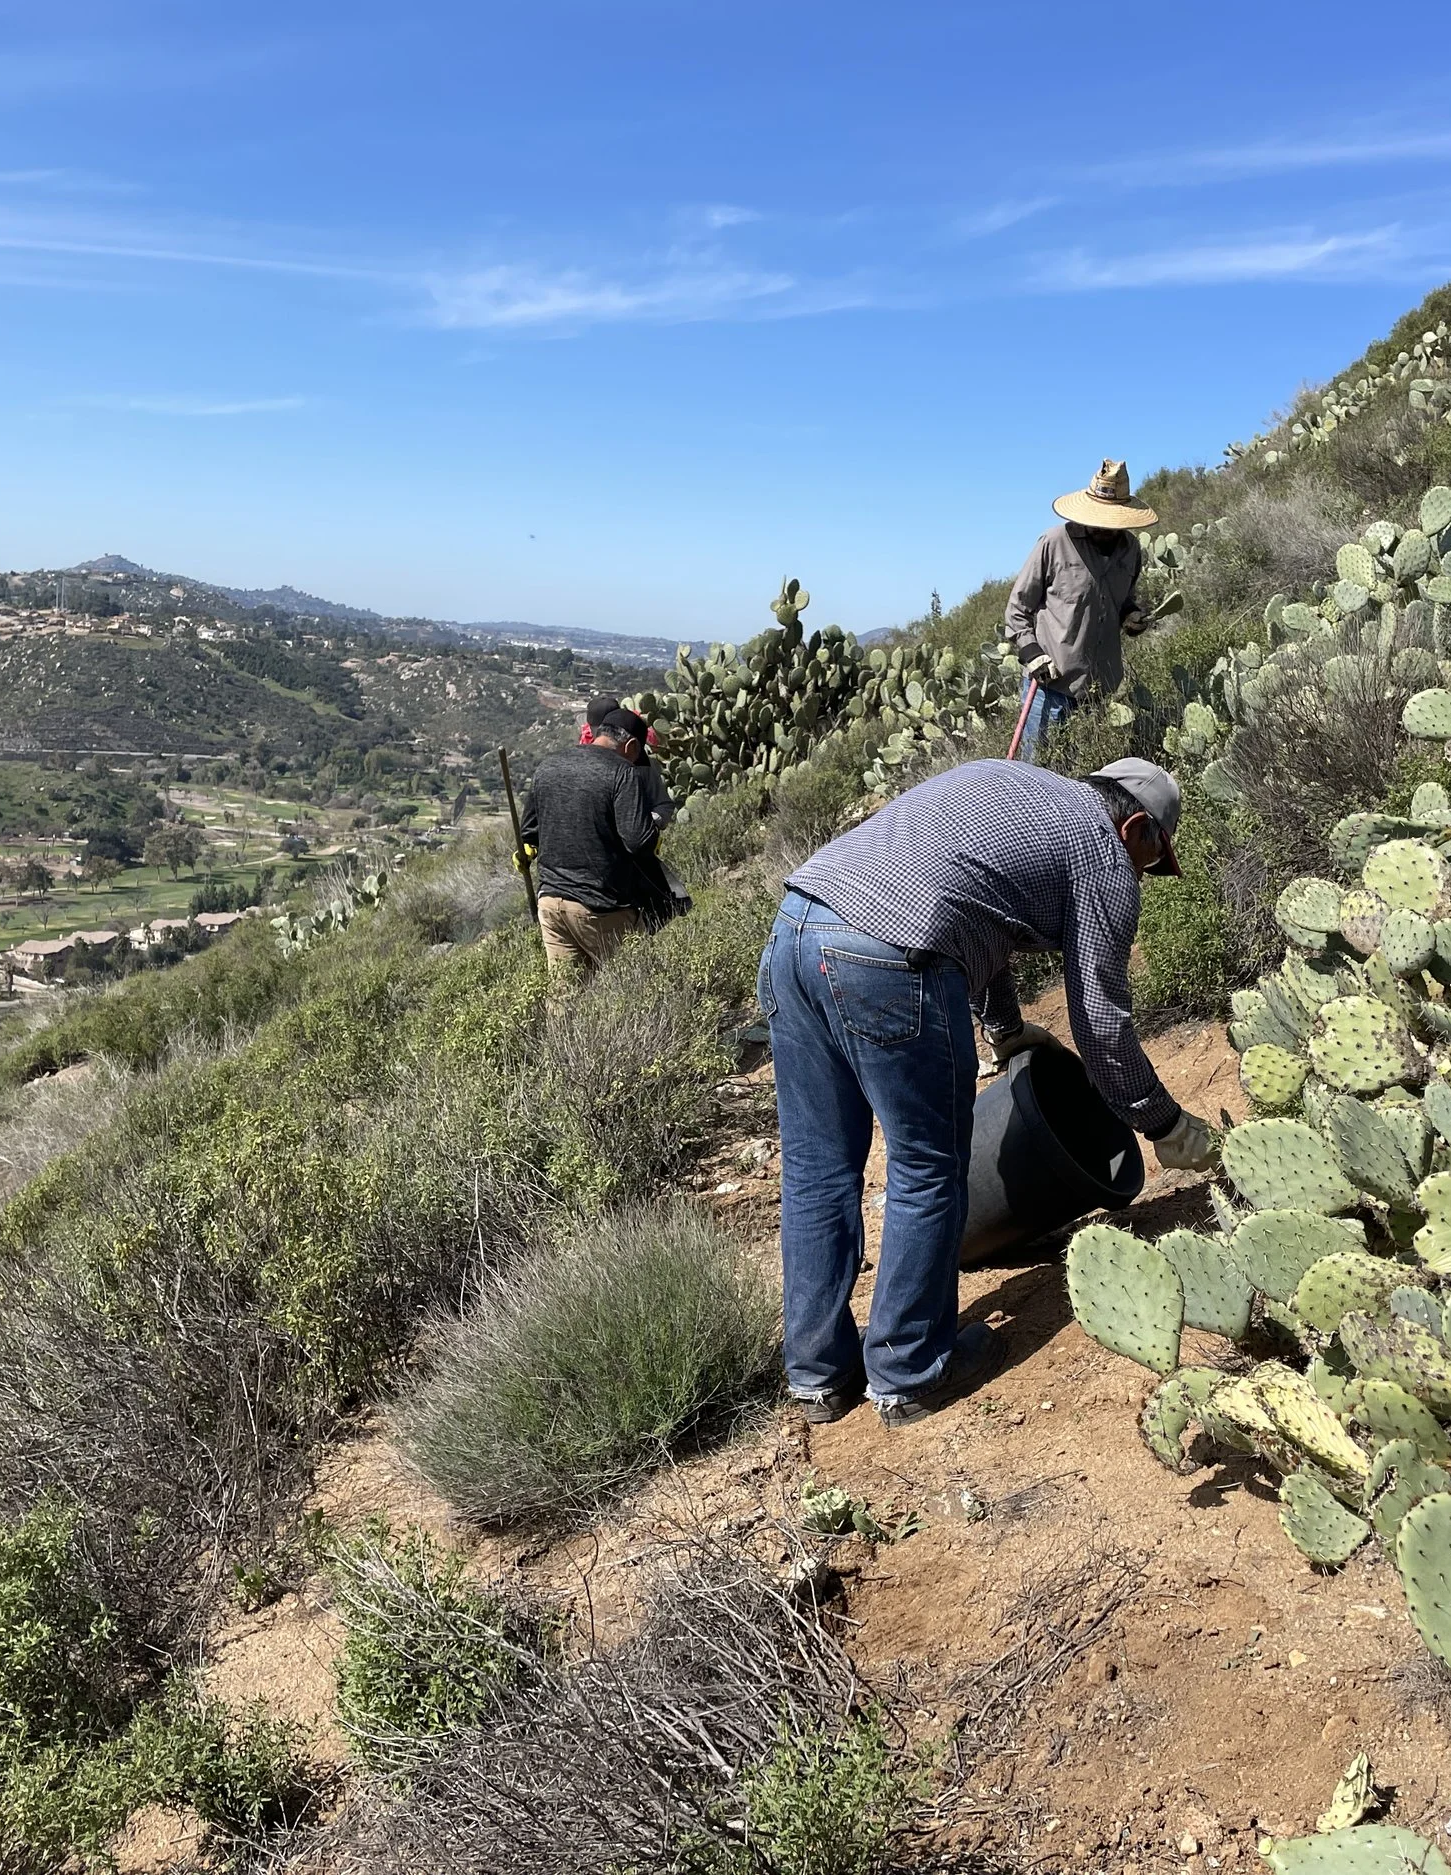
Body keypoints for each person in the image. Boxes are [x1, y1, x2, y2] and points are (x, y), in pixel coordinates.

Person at [764, 755, 1219, 1427]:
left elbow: (975, 908)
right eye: (1154, 859)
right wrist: (1163, 1122)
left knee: (816, 1169)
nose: (1145, 876)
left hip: (794, 928)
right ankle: (908, 1372)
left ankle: (818, 1375)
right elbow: (1100, 1022)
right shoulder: (1103, 854)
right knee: (928, 1165)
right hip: (887, 955)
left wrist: (1005, 1030)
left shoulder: (1019, 788)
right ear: (1138, 828)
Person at [1003, 459, 1157, 759]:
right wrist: (1032, 653)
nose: (1104, 527)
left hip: (1101, 692)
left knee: (1082, 778)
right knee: (1037, 772)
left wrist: (1131, 617)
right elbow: (1017, 609)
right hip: (1050, 687)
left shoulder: (1130, 550)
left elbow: (1122, 601)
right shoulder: (1053, 543)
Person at [517, 698, 671, 979]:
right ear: (631, 746)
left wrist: (526, 853)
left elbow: (528, 835)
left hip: (550, 902)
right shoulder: (623, 773)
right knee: (630, 990)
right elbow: (637, 841)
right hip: (601, 907)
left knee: (565, 998)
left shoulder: (549, 766)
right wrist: (653, 834)